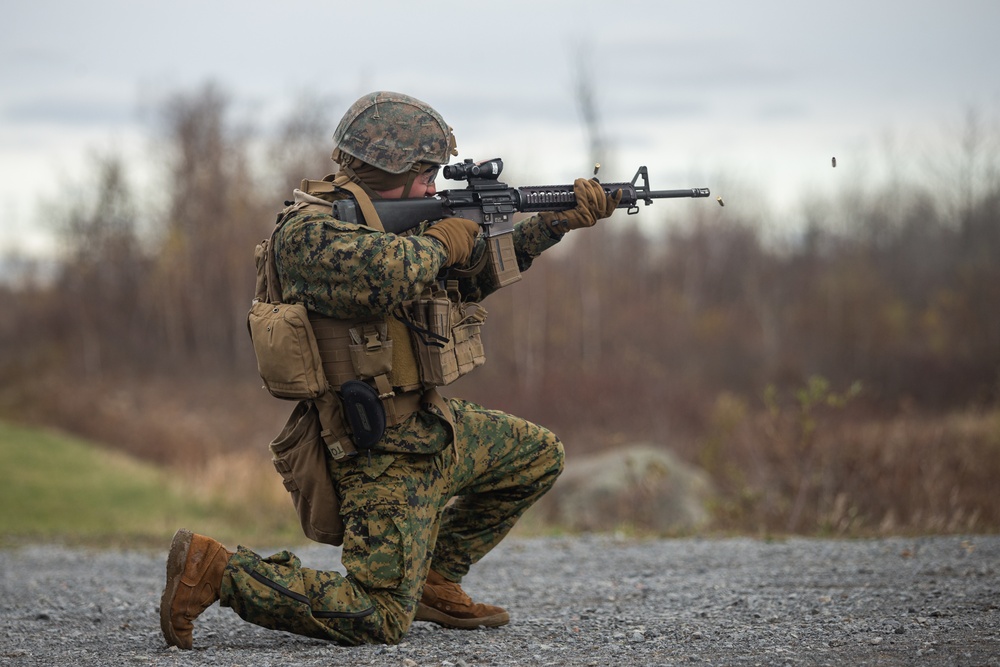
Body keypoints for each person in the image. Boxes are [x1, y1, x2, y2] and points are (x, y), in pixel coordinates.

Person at [160, 91, 621, 648]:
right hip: (375, 448)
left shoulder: (400, 223)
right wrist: (441, 238)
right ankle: (217, 571)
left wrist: (552, 224)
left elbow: (469, 278)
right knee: (377, 616)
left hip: (428, 425)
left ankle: (434, 580)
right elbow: (388, 274)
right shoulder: (309, 231)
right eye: (425, 174)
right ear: (389, 169)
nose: (433, 186)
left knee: (539, 457)